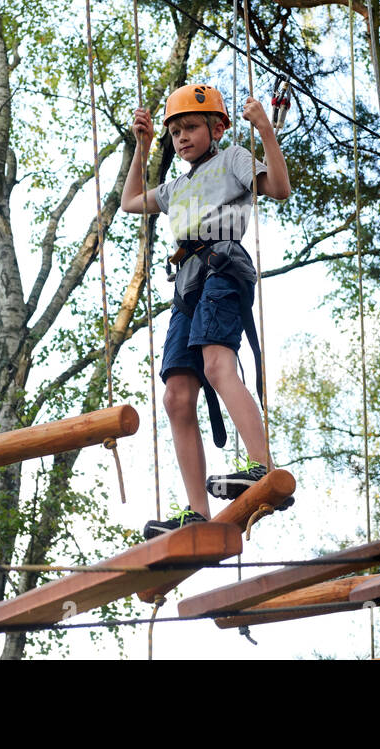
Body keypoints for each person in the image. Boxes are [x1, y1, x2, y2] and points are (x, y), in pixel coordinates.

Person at [121, 83, 292, 539]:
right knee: (176, 396)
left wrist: (266, 132)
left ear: (216, 128)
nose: (182, 137)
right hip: (187, 282)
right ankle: (198, 511)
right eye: (175, 132)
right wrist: (141, 148)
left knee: (218, 365)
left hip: (223, 267)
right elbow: (130, 202)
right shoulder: (176, 186)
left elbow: (279, 188)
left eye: (191, 127)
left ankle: (262, 466)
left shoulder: (233, 158)